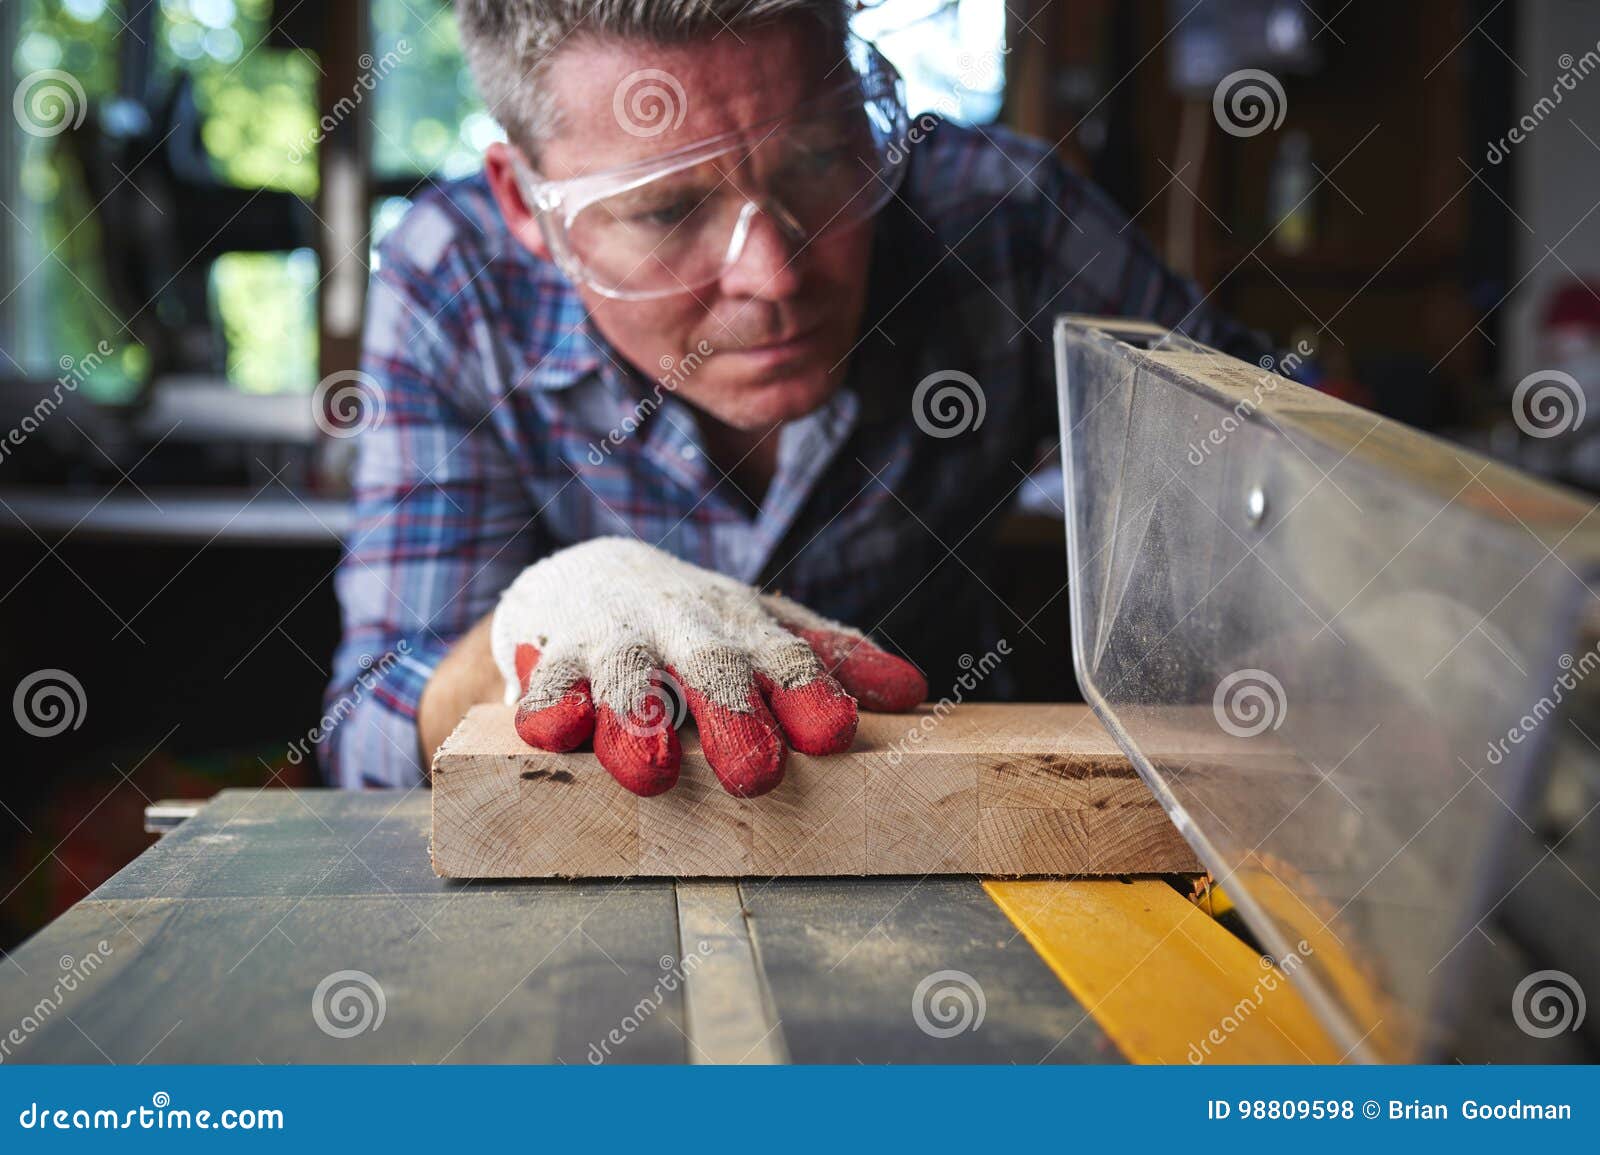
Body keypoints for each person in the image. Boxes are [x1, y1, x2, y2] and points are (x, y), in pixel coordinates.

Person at [323, 0, 1259, 794]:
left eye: (818, 160)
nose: (773, 275)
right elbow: (365, 737)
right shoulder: (462, 279)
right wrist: (533, 622)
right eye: (667, 211)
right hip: (607, 856)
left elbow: (1287, 475)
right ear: (527, 207)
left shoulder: (1006, 224)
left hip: (958, 813)